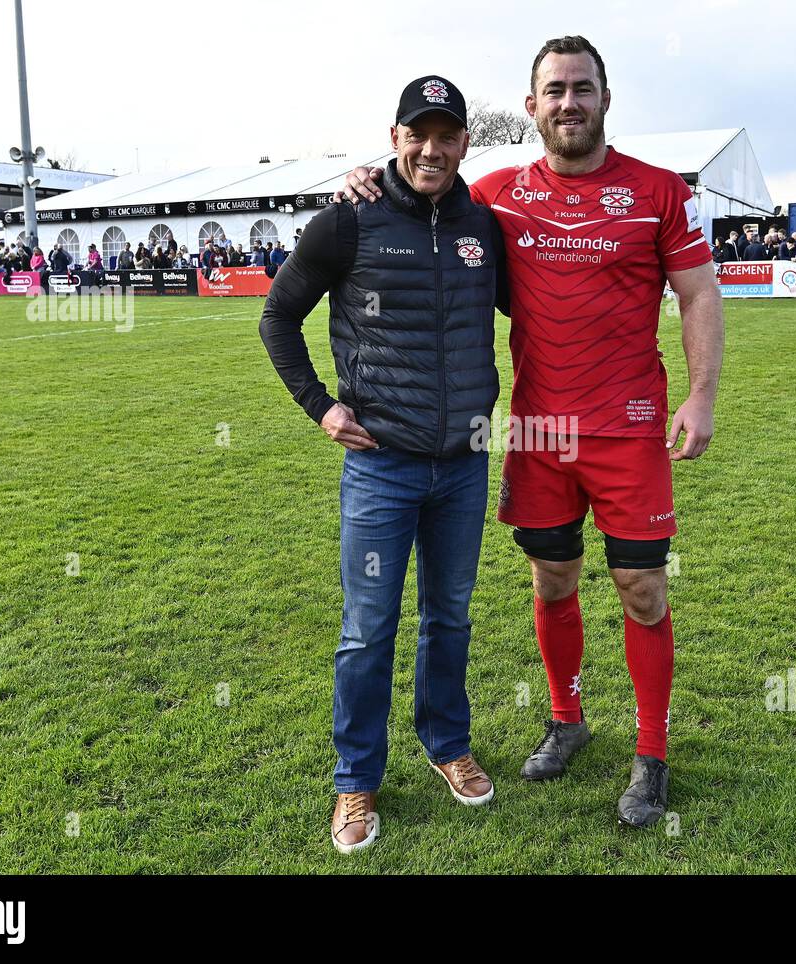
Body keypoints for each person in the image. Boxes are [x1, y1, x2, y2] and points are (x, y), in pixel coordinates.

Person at [342, 35, 723, 830]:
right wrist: (363, 182)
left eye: (582, 89)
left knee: (642, 590)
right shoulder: (497, 196)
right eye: (554, 91)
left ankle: (651, 754)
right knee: (552, 582)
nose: (569, 103)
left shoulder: (657, 192)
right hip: (540, 432)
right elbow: (420, 192)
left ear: (606, 100)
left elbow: (696, 294)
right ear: (531, 107)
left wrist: (701, 396)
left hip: (629, 429)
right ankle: (567, 719)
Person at [260, 74, 506, 855]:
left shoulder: (483, 225)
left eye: (446, 134)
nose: (431, 148)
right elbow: (277, 317)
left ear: (465, 142)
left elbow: (540, 295)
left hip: (463, 465)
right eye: (417, 133)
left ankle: (446, 745)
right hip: (382, 468)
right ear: (394, 137)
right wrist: (322, 407)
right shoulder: (347, 221)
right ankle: (355, 780)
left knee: (451, 617)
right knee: (368, 631)